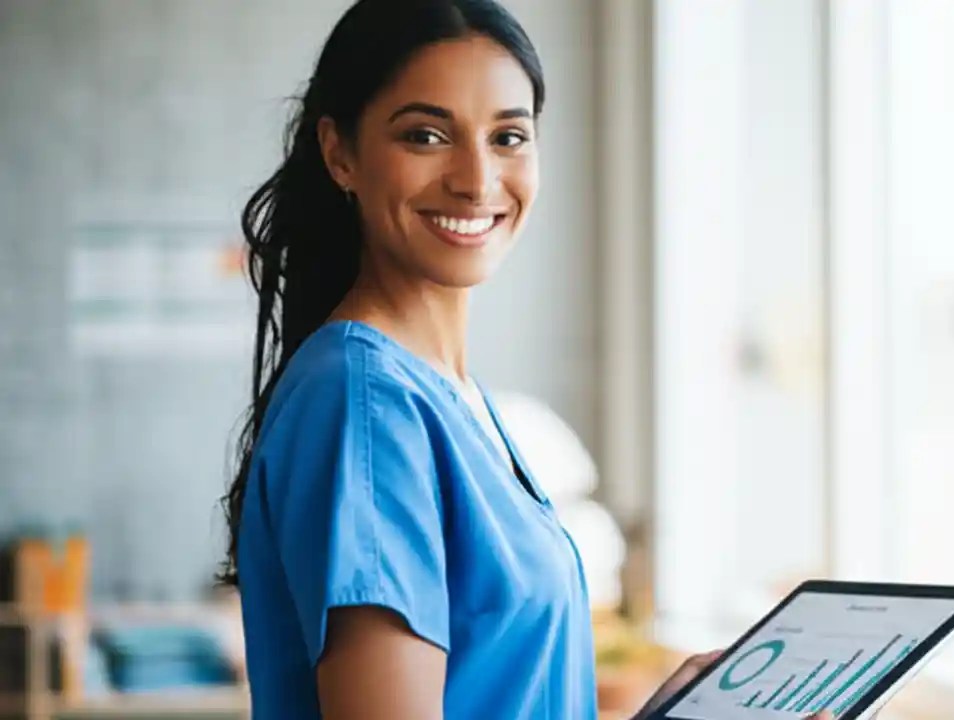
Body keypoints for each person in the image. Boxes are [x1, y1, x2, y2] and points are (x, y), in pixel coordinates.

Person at [218, 0, 836, 718]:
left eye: (508, 136)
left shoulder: (448, 397)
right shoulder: (367, 405)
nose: (477, 181)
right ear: (340, 154)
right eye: (426, 135)